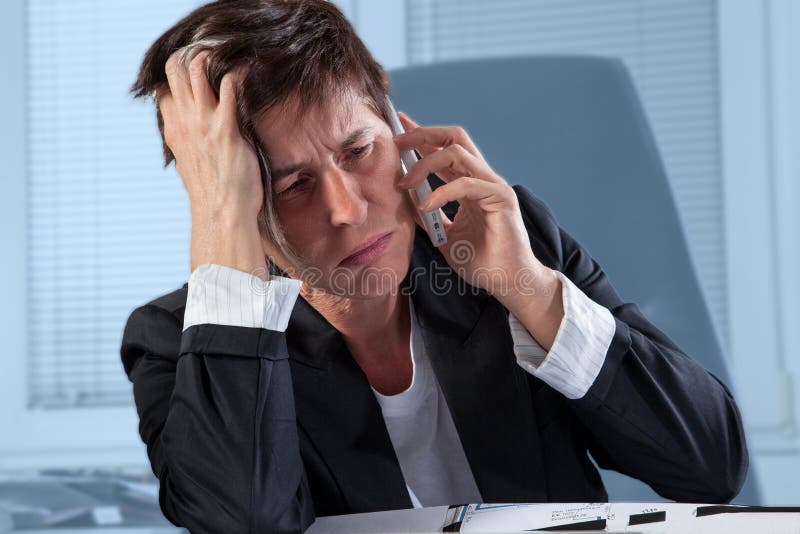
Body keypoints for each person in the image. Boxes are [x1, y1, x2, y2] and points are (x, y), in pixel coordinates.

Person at [121, 1, 749, 532]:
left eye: (359, 150)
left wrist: (525, 286)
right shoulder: (178, 344)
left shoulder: (510, 242)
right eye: (291, 185)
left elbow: (711, 464)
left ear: (399, 128)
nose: (345, 209)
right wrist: (219, 218)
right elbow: (244, 519)